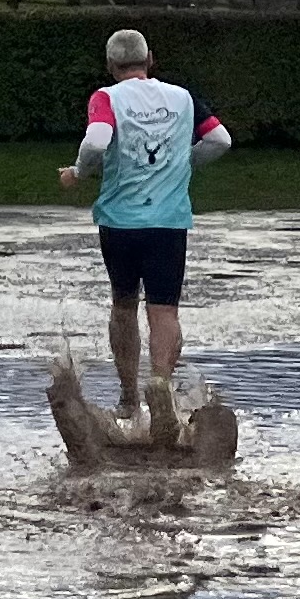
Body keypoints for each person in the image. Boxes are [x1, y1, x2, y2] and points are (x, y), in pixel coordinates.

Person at [58, 27, 230, 443]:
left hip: (119, 221)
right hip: (169, 222)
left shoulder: (106, 97)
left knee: (123, 305)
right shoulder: (183, 98)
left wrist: (79, 172)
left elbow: (97, 140)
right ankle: (161, 388)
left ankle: (129, 397)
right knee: (165, 311)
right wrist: (183, 164)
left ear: (111, 65)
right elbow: (220, 140)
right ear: (150, 58)